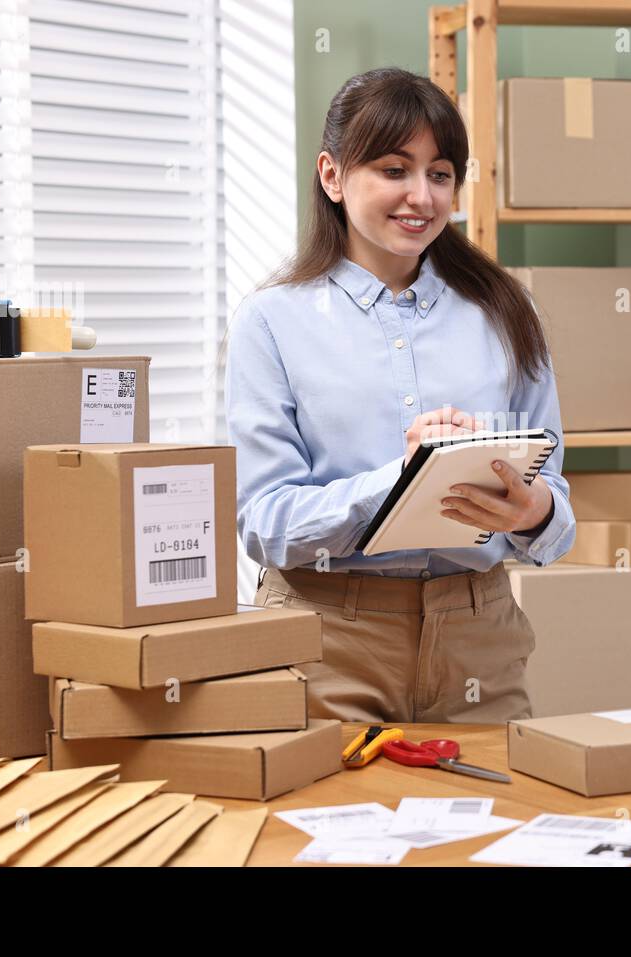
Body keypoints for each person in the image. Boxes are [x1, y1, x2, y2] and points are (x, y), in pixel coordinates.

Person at [224, 67, 576, 724]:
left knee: (500, 822)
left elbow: (557, 519)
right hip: (326, 634)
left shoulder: (506, 311)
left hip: (479, 634)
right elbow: (262, 521)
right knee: (327, 825)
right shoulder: (270, 321)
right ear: (332, 176)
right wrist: (400, 480)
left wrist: (529, 509)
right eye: (394, 169)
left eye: (440, 174)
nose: (421, 195)